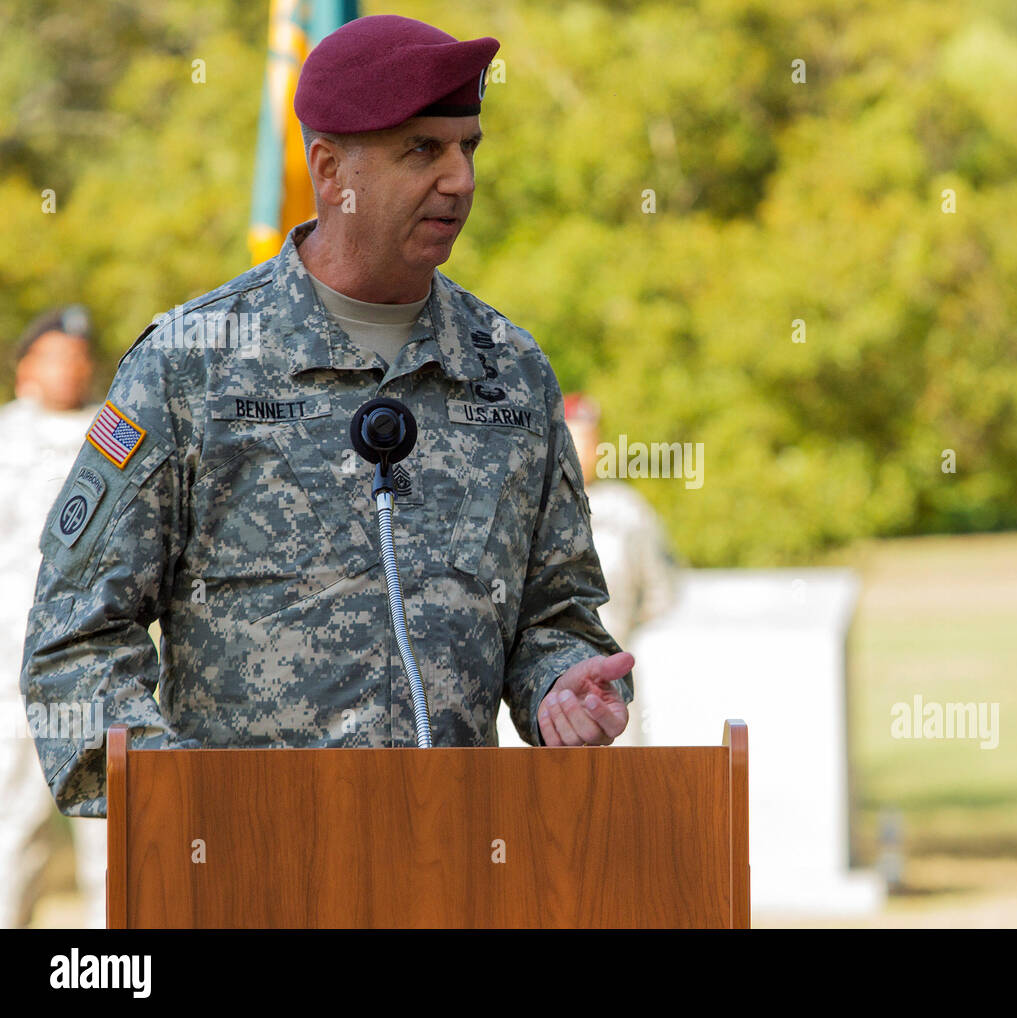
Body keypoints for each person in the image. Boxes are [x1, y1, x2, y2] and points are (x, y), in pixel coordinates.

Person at [21, 15, 634, 821]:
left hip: (453, 860)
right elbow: (75, 638)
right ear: (329, 165)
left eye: (467, 148)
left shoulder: (510, 372)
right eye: (423, 150)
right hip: (242, 869)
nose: (459, 180)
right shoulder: (192, 362)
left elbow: (557, 616)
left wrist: (566, 689)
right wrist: (177, 802)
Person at [0, 307, 107, 926]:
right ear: (25, 366)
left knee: (109, 836)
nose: (70, 368)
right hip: (10, 679)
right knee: (13, 831)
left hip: (94, 672)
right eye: (55, 356)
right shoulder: (6, 439)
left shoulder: (112, 440)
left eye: (78, 357)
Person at [563, 394, 676, 745]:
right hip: (544, 695)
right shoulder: (527, 507)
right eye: (574, 438)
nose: (584, 450)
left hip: (613, 685)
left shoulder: (627, 512)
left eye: (591, 439)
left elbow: (659, 593)